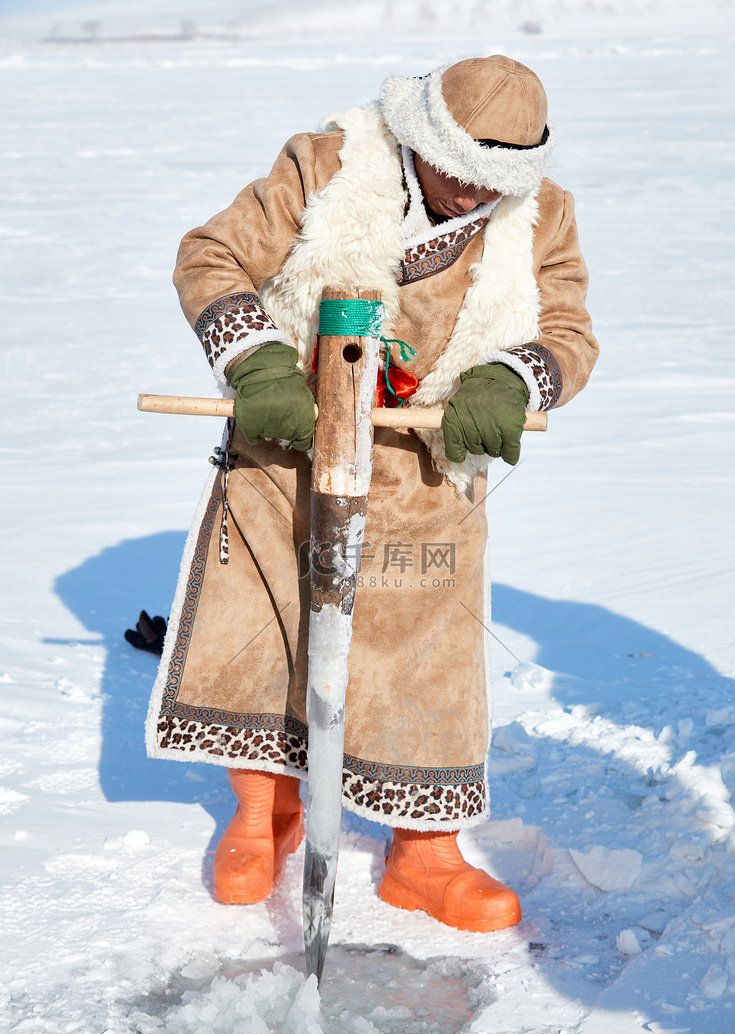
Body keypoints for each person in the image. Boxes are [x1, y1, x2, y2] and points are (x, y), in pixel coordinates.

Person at [146, 55, 598, 933]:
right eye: (460, 171)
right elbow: (210, 255)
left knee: (428, 651)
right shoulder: (324, 164)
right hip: (287, 453)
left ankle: (425, 855)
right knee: (265, 627)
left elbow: (570, 331)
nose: (474, 195)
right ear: (424, 139)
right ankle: (264, 814)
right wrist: (258, 362)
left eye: (494, 182)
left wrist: (514, 376)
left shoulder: (544, 216)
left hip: (427, 472)